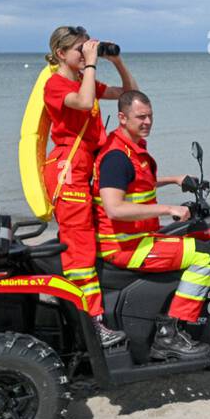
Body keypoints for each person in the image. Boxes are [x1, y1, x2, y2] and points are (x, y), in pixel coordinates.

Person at [94, 90, 210, 360]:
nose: (148, 122)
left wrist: (175, 179)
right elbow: (114, 207)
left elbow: (136, 182)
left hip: (138, 238)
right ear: (122, 117)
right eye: (141, 117)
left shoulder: (130, 148)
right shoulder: (116, 157)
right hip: (128, 246)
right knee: (207, 255)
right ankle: (170, 333)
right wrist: (168, 208)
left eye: (150, 116)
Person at [42, 25, 137, 348]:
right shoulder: (55, 84)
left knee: (96, 238)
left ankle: (95, 311)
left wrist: (117, 61)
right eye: (79, 50)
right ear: (61, 54)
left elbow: (129, 95)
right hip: (68, 172)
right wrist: (92, 64)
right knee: (80, 249)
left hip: (86, 170)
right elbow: (83, 103)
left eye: (87, 48)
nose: (85, 54)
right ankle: (92, 323)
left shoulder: (86, 81)